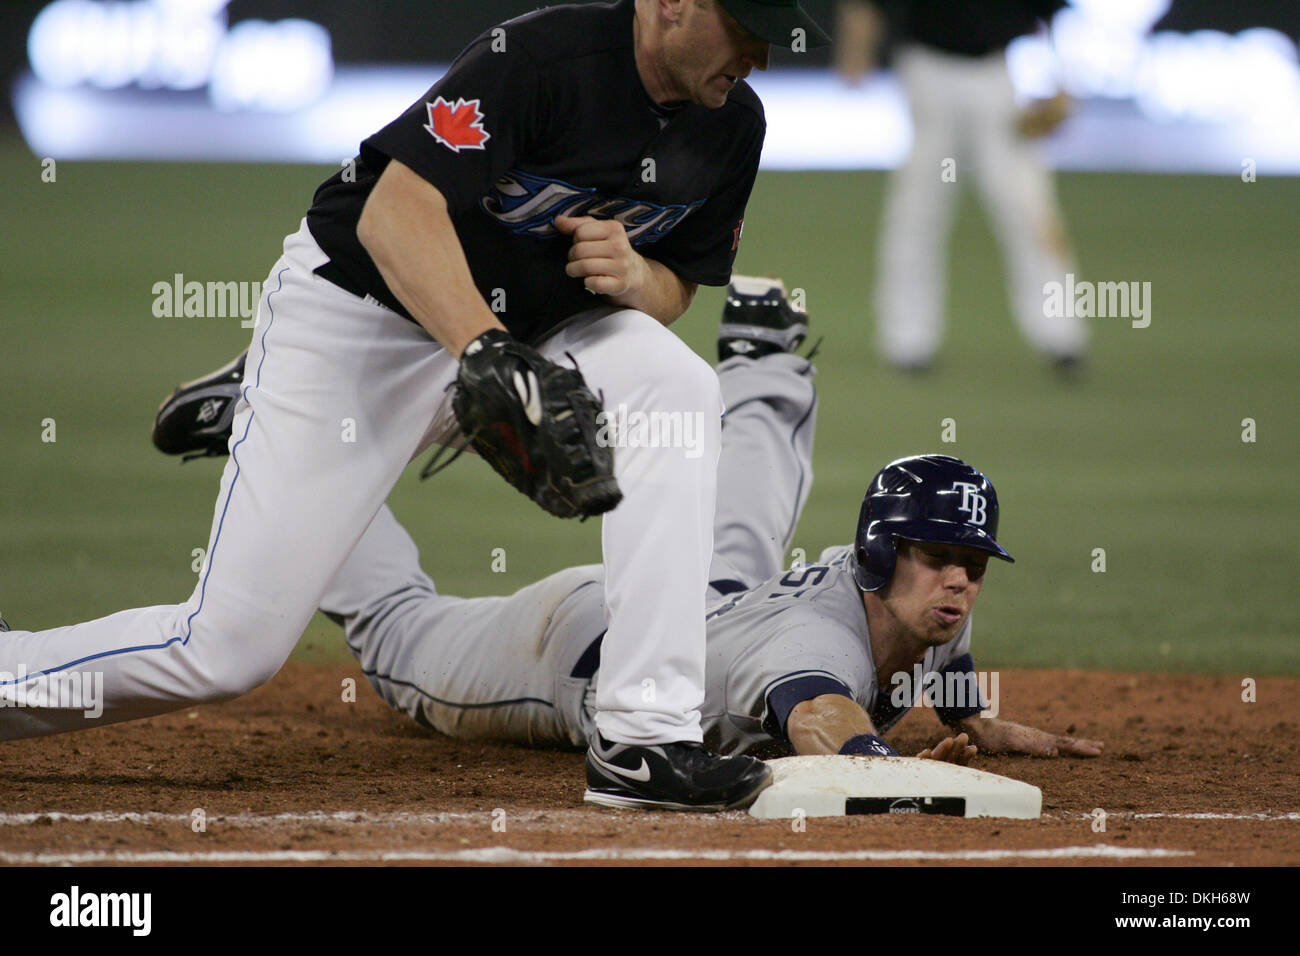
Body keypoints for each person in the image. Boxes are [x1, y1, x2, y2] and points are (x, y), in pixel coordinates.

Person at [0, 0, 832, 814]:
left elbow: (679, 283)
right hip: (364, 320)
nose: (759, 54)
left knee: (679, 390)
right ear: (674, 5)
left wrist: (637, 278)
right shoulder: (541, 60)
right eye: (747, 28)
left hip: (542, 325)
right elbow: (395, 216)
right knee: (226, 651)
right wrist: (485, 351)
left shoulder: (733, 125)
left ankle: (642, 734)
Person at [309, 281, 1104, 777]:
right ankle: (299, 446)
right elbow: (822, 716)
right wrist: (880, 766)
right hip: (579, 650)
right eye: (939, 557)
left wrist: (973, 718)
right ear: (880, 553)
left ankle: (764, 359)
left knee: (740, 536)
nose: (961, 581)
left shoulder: (919, 594)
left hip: (710, 603)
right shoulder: (816, 652)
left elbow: (949, 642)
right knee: (396, 636)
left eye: (973, 562)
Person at [837, 0, 1087, 373]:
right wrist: (855, 50)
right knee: (919, 210)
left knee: (1029, 209)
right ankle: (907, 339)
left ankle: (1061, 335)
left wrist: (1061, 77)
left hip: (1000, 73)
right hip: (927, 68)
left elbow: (1049, 10)